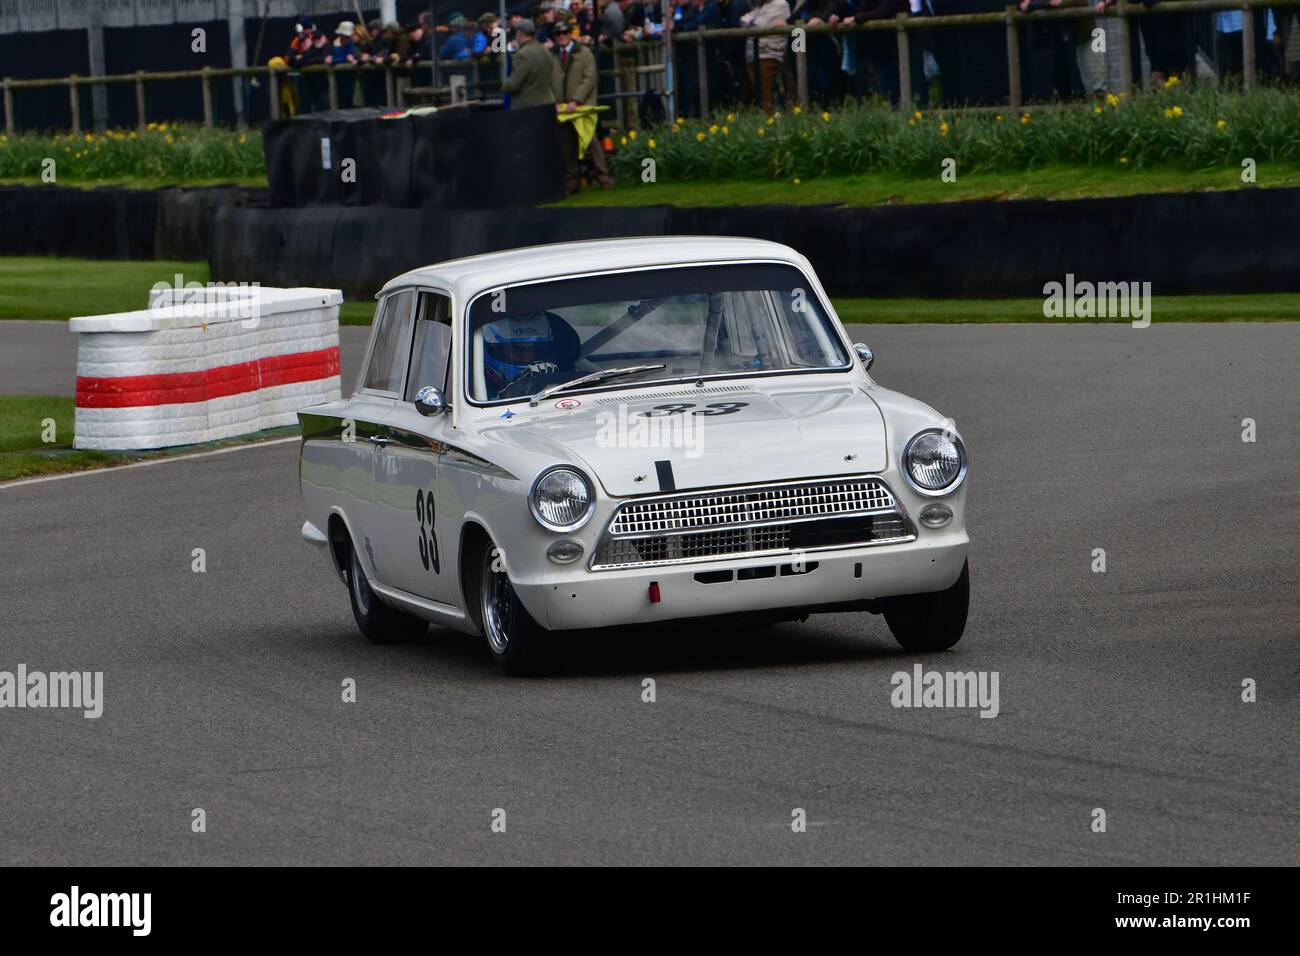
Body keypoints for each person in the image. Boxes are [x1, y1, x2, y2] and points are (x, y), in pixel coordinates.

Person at [552, 16, 612, 192]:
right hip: (562, 109)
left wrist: (576, 100)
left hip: (582, 106)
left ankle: (603, 176)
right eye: (558, 33)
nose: (562, 36)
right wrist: (555, 103)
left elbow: (589, 79)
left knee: (591, 141)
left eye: (565, 32)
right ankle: (572, 182)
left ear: (571, 34)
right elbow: (548, 81)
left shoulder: (584, 53)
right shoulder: (553, 56)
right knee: (566, 144)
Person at [482, 313, 579, 399]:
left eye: (531, 350)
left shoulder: (564, 388)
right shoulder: (475, 392)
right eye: (516, 351)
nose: (526, 358)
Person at [739, 0, 790, 115]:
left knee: (768, 92)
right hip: (753, 54)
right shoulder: (761, 7)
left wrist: (753, 23)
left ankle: (775, 119)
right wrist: (753, 22)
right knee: (759, 93)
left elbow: (759, 25)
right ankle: (767, 119)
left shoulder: (780, 4)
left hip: (770, 53)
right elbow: (743, 20)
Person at [501, 18, 560, 107]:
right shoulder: (545, 50)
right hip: (547, 104)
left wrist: (500, 86)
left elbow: (513, 84)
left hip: (528, 107)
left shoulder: (522, 54)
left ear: (519, 33)